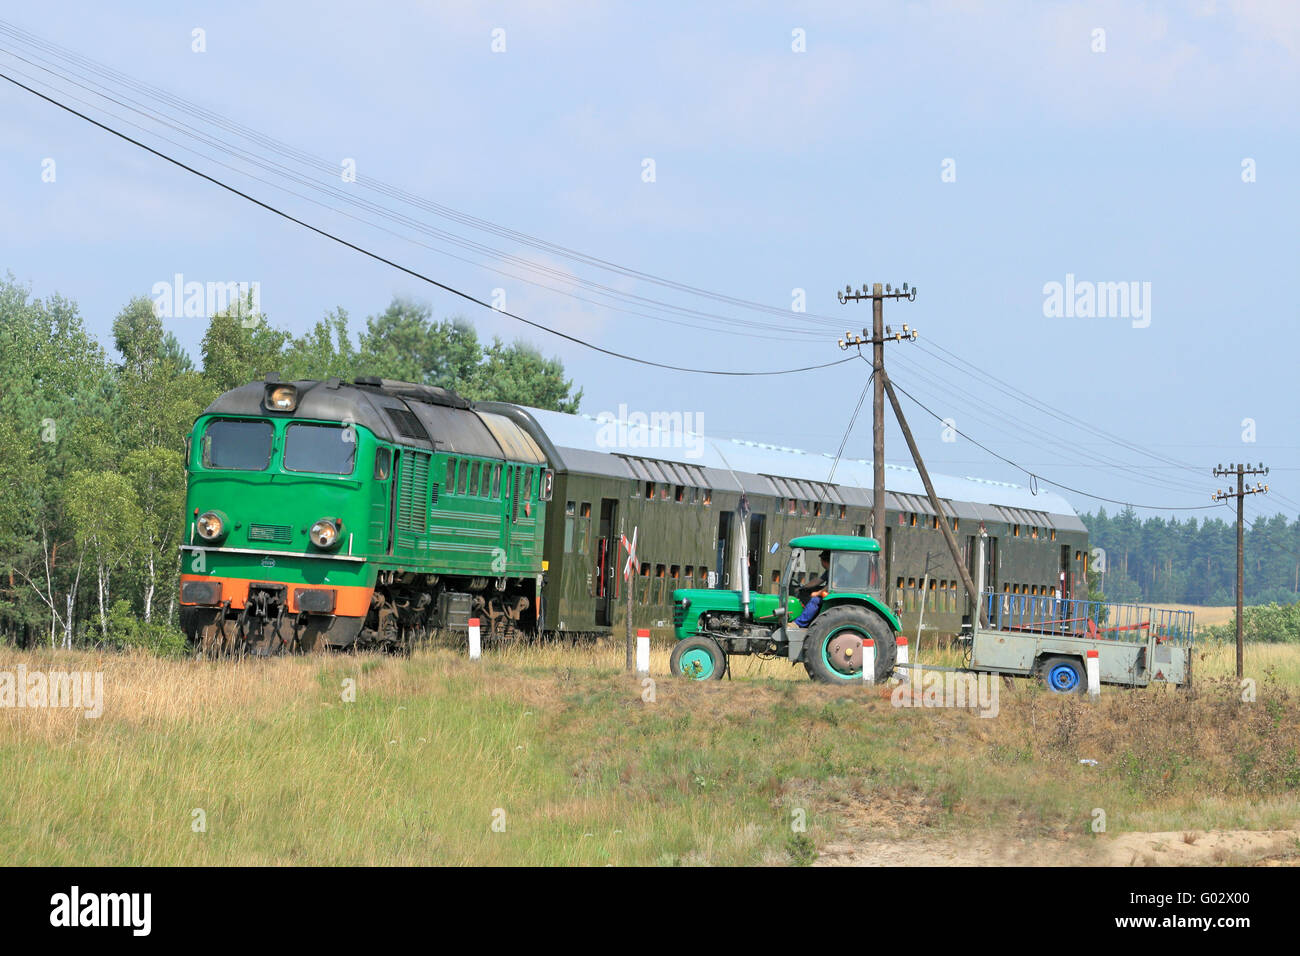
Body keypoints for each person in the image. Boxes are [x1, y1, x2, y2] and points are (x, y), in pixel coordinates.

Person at [790, 551, 831, 629]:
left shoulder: (836, 570)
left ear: (824, 561)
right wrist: (804, 587)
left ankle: (798, 623)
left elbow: (832, 585)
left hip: (835, 594)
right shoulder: (830, 570)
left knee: (815, 600)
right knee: (811, 594)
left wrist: (818, 593)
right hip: (833, 592)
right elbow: (818, 580)